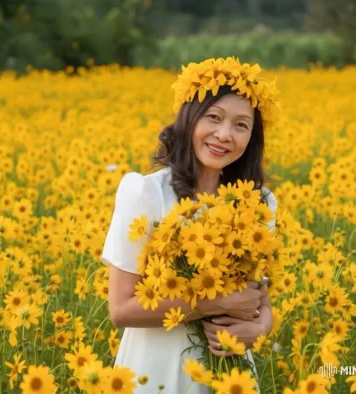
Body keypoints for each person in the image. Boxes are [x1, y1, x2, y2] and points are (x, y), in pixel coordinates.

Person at [101, 57, 280, 393]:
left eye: (241, 125)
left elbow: (259, 299)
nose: (224, 135)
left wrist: (261, 328)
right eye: (214, 117)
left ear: (252, 137)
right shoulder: (146, 192)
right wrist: (213, 304)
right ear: (188, 118)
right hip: (156, 370)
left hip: (232, 373)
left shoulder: (260, 202)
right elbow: (120, 309)